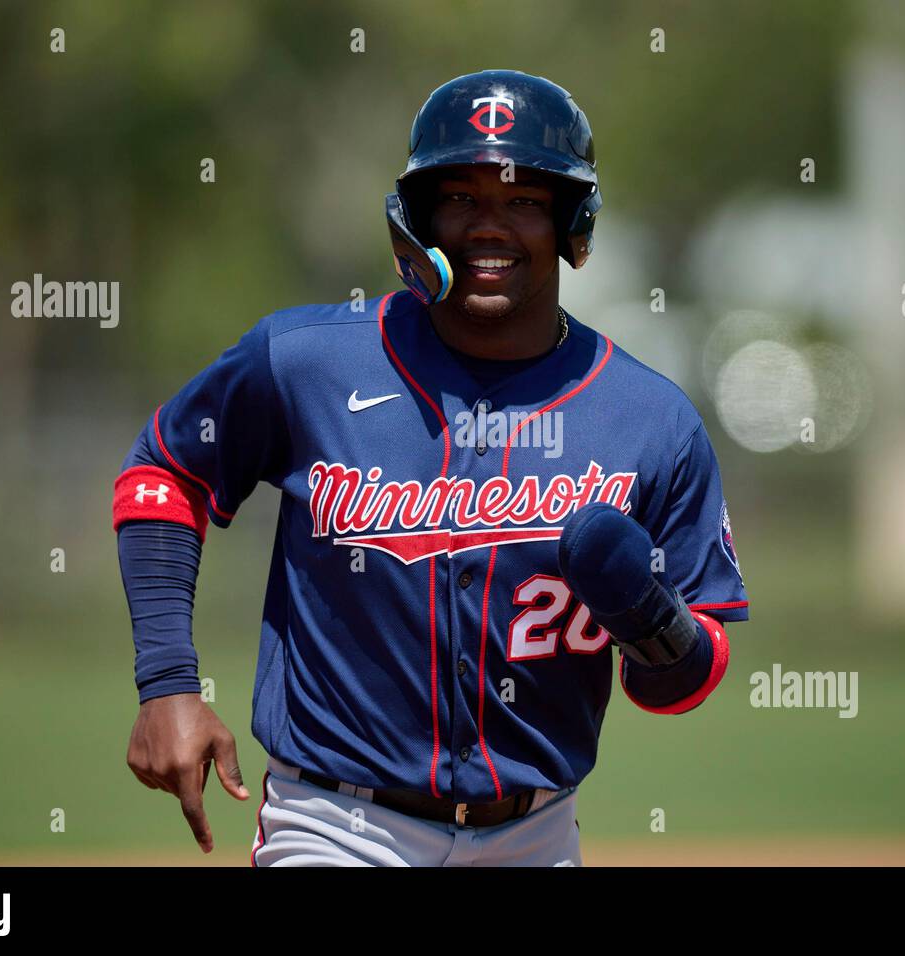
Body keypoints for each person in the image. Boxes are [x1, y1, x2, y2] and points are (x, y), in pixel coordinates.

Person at [114, 70, 748, 867]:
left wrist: (656, 626)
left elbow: (687, 677)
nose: (489, 226)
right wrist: (168, 683)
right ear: (415, 221)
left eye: (522, 201)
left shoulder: (649, 421)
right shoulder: (308, 362)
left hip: (536, 836)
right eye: (459, 199)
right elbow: (163, 475)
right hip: (338, 827)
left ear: (571, 223)